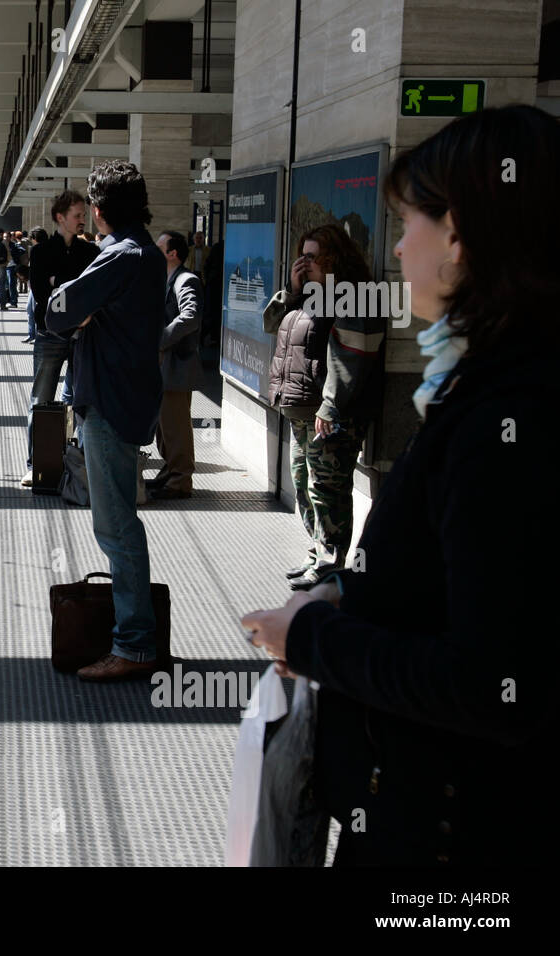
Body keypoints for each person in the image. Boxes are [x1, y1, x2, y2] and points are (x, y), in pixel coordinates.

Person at [242, 104, 559, 866]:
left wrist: (314, 638)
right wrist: (348, 600)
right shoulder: (496, 384)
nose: (397, 246)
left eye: (409, 221)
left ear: (459, 234)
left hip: (453, 842)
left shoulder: (504, 418)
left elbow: (494, 681)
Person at [45, 162, 166, 681]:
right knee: (118, 524)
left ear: (97, 211)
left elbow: (54, 311)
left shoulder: (119, 257)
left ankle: (135, 645)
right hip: (126, 397)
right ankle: (133, 638)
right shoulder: (147, 255)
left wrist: (78, 310)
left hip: (110, 404)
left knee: (115, 527)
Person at [262, 223, 383, 590]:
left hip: (331, 415)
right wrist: (292, 292)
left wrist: (330, 406)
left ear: (335, 258)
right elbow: (270, 324)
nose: (305, 263)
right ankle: (317, 550)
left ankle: (332, 560)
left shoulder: (357, 296)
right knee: (302, 483)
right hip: (302, 411)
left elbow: (351, 358)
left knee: (327, 488)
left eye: (313, 256)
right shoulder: (310, 295)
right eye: (303, 255)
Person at [23, 191, 98, 486]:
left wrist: (59, 283)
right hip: (50, 335)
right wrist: (69, 288)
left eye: (83, 215)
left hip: (81, 334)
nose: (83, 220)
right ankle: (35, 464)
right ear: (60, 217)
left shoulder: (89, 252)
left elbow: (86, 291)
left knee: (77, 399)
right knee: (41, 399)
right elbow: (43, 296)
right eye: (78, 215)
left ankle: (72, 461)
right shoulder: (41, 252)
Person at [150, 230, 204, 499]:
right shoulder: (168, 278)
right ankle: (170, 471)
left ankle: (180, 479)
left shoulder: (186, 280)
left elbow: (190, 316)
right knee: (164, 425)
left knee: (175, 424)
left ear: (172, 254)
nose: (154, 250)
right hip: (165, 365)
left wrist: (161, 339)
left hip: (176, 364)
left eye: (160, 247)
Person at [22, 227, 48, 343]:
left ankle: (37, 335)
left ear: (34, 238)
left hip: (38, 286)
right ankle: (32, 334)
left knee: (35, 310)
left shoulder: (37, 250)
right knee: (30, 309)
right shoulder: (39, 249)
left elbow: (35, 269)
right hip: (36, 285)